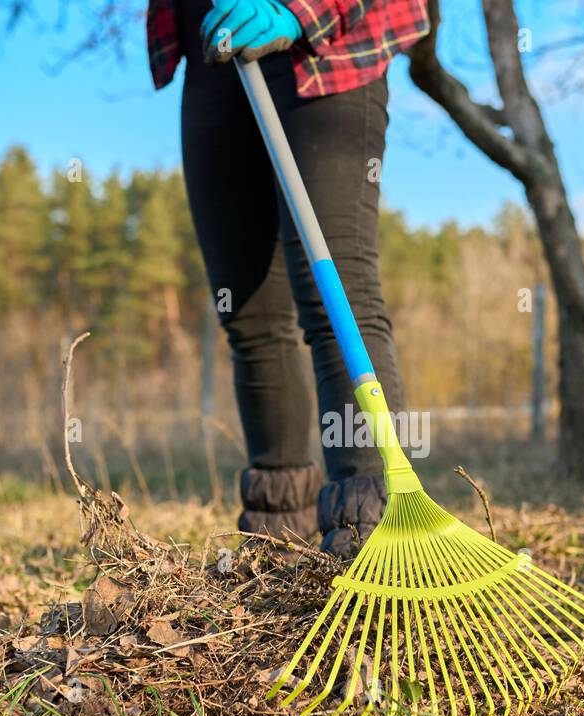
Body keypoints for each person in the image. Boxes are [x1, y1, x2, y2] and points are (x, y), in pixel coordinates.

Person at [146, 0, 429, 555]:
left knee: (334, 295)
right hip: (213, 42)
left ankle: (371, 537)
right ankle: (280, 540)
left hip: (324, 49)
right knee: (248, 311)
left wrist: (301, 9)